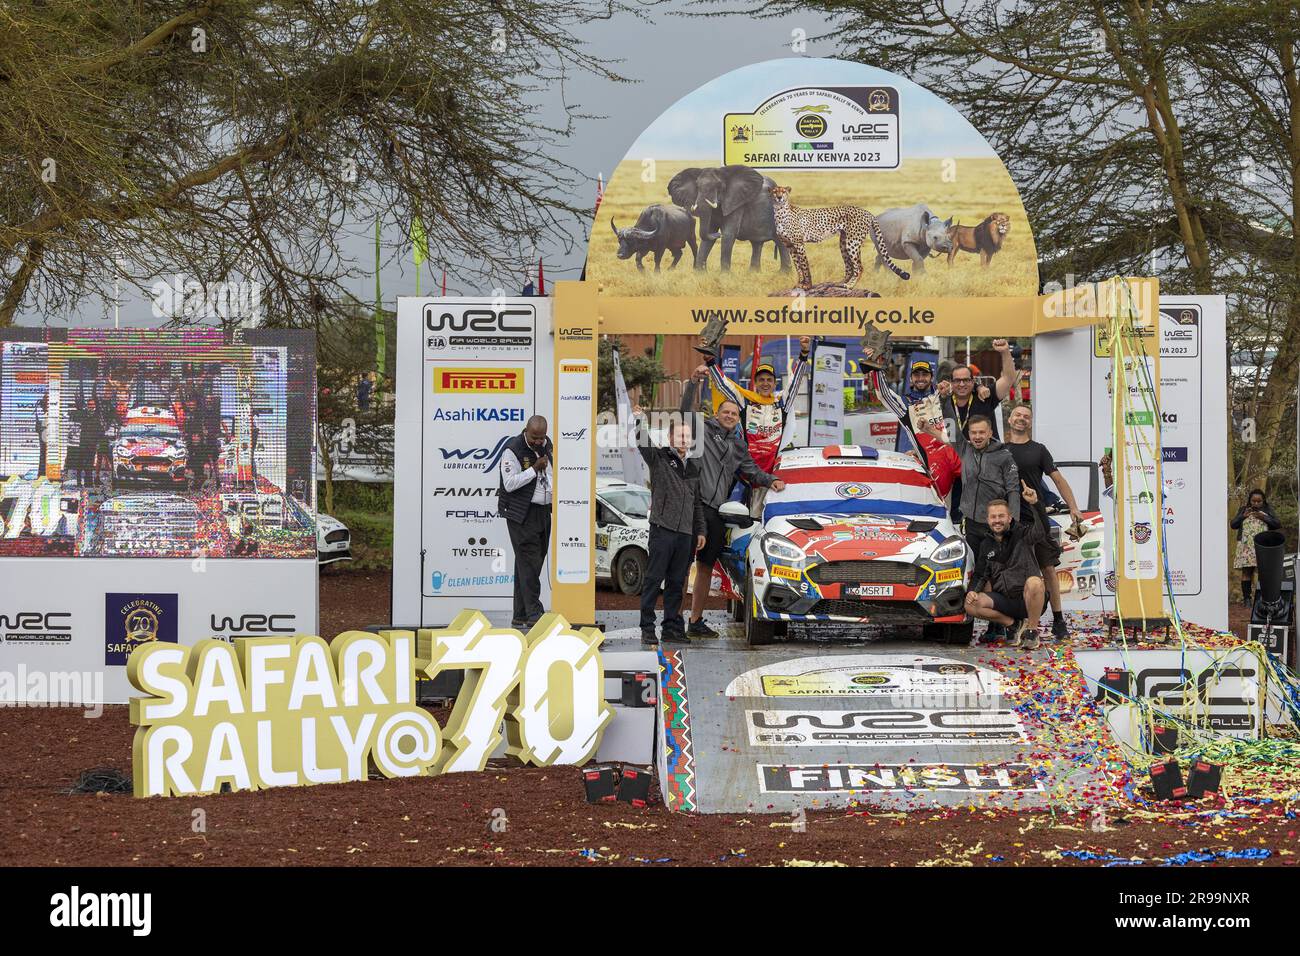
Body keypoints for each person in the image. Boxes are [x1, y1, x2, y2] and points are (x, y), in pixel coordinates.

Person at [678, 395, 785, 638]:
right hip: (693, 505)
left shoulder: (738, 445)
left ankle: (695, 621)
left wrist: (772, 480)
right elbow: (684, 411)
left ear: (739, 420)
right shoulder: (702, 429)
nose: (729, 416)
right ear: (717, 414)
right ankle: (674, 621)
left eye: (734, 414)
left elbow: (753, 472)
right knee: (682, 566)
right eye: (725, 412)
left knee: (705, 567)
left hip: (716, 511)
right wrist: (694, 385)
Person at [1003, 403, 1084, 639]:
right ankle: (1009, 623)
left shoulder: (1039, 450)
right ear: (1009, 420)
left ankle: (1058, 620)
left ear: (1030, 422)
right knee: (1010, 572)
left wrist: (1074, 508)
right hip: (1011, 522)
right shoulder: (999, 449)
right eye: (1017, 415)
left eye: (1026, 416)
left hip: (1036, 519)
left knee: (1048, 569)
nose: (1021, 419)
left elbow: (1058, 480)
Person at [632, 407, 706, 645]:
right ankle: (647, 628)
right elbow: (643, 443)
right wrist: (639, 422)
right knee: (654, 579)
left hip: (685, 534)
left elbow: (697, 503)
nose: (683, 440)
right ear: (670, 438)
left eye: (687, 436)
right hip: (662, 529)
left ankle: (672, 627)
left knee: (676, 582)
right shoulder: (660, 458)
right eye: (679, 436)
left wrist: (701, 530)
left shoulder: (694, 466)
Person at [693, 335, 810, 477]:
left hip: (773, 468)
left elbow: (795, 383)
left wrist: (803, 355)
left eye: (769, 380)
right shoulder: (745, 401)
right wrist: (710, 361)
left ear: (774, 383)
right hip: (746, 467)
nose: (765, 383)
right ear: (755, 383)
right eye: (761, 380)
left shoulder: (781, 402)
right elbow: (724, 385)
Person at [964, 484, 1049, 649]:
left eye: (1001, 516)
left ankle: (1031, 631)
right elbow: (980, 574)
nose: (997, 520)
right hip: (1005, 602)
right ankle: (1014, 625)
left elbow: (1043, 529)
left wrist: (1035, 503)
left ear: (1009, 518)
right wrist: (972, 591)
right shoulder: (986, 544)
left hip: (1028, 599)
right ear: (987, 520)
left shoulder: (1024, 534)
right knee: (970, 604)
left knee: (1035, 582)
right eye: (993, 517)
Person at [497, 415, 554, 630]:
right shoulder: (512, 449)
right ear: (526, 431)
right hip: (521, 514)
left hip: (543, 511)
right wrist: (534, 468)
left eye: (542, 437)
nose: (539, 441)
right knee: (529, 561)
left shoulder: (548, 445)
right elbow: (509, 483)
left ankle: (520, 615)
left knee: (532, 562)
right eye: (535, 437)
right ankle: (534, 613)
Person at [938, 339, 1017, 440]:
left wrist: (1005, 352)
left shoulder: (985, 396)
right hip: (954, 454)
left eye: (966, 380)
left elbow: (1008, 378)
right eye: (957, 380)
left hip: (986, 454)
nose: (962, 384)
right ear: (951, 382)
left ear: (973, 381)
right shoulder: (943, 402)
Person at [1232, 489, 1281, 605]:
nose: (1256, 504)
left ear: (1263, 501)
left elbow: (1277, 524)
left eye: (1259, 501)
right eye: (1253, 501)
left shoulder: (1267, 510)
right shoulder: (1243, 510)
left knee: (1263, 573)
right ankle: (1247, 599)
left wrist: (1263, 517)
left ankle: (1262, 599)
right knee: (1246, 572)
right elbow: (1233, 525)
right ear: (1250, 500)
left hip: (1262, 546)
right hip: (1246, 547)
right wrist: (1242, 517)